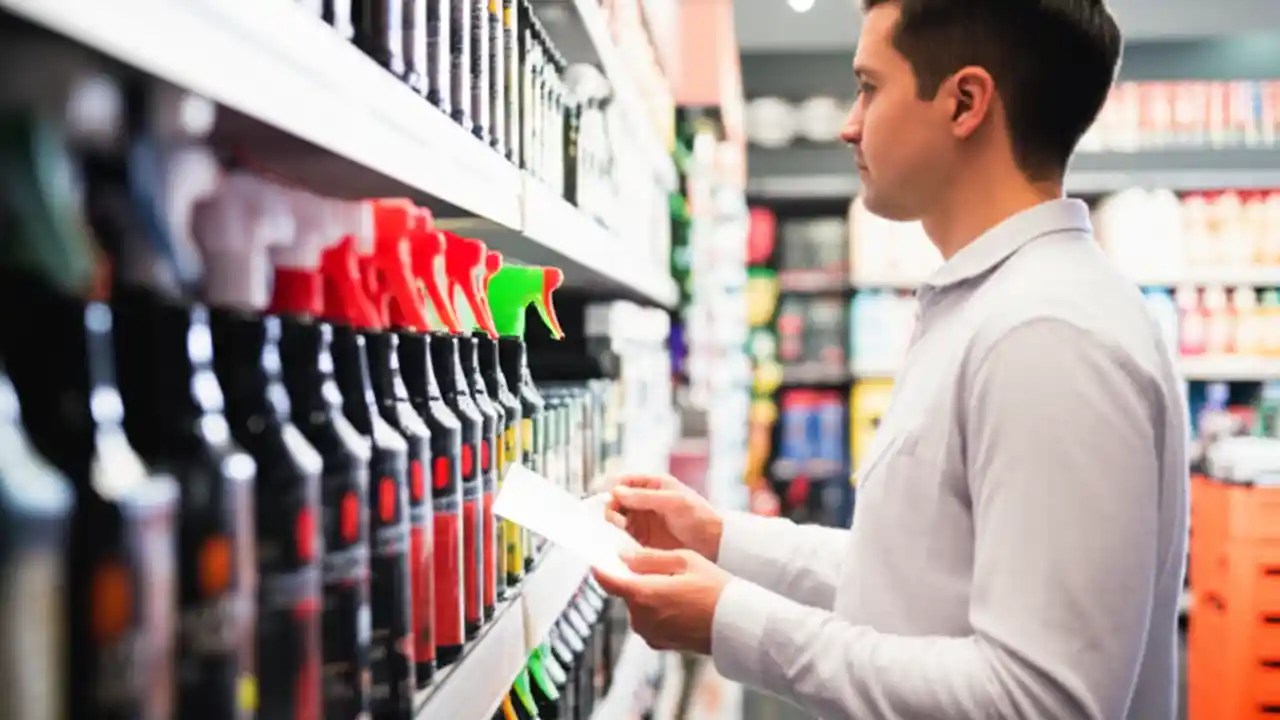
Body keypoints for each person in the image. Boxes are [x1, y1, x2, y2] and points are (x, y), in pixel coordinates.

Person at [594, 1, 1189, 718]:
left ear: (964, 102)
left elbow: (1038, 700)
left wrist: (734, 623)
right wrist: (720, 538)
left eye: (870, 86)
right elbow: (911, 578)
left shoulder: (1047, 332)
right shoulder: (995, 309)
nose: (849, 123)